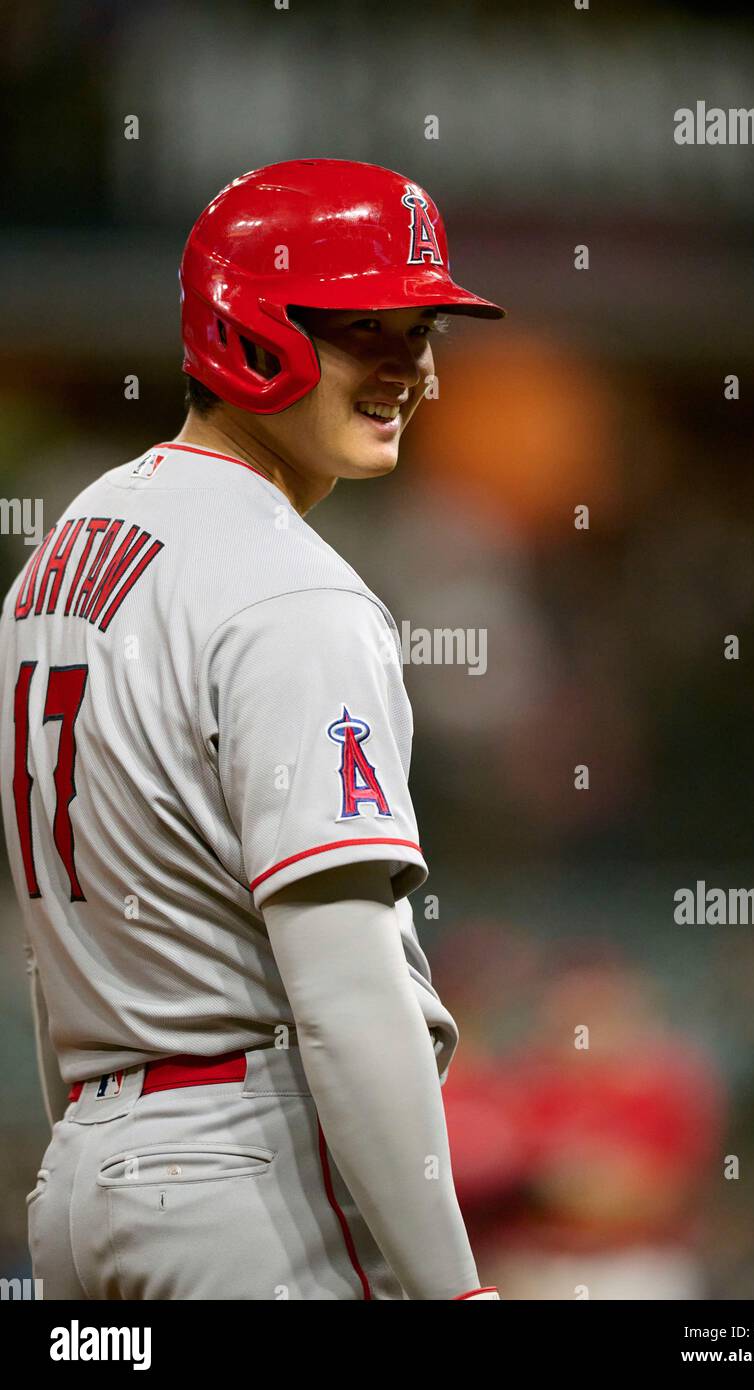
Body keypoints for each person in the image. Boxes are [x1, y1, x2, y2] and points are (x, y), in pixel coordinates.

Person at [0, 159, 506, 1300]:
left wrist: (105, 1139)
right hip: (247, 1187)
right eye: (365, 327)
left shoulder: (65, 550)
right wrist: (456, 1293)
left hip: (84, 1180)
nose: (411, 366)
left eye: (420, 328)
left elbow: (55, 939)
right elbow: (344, 990)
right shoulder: (293, 593)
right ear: (249, 330)